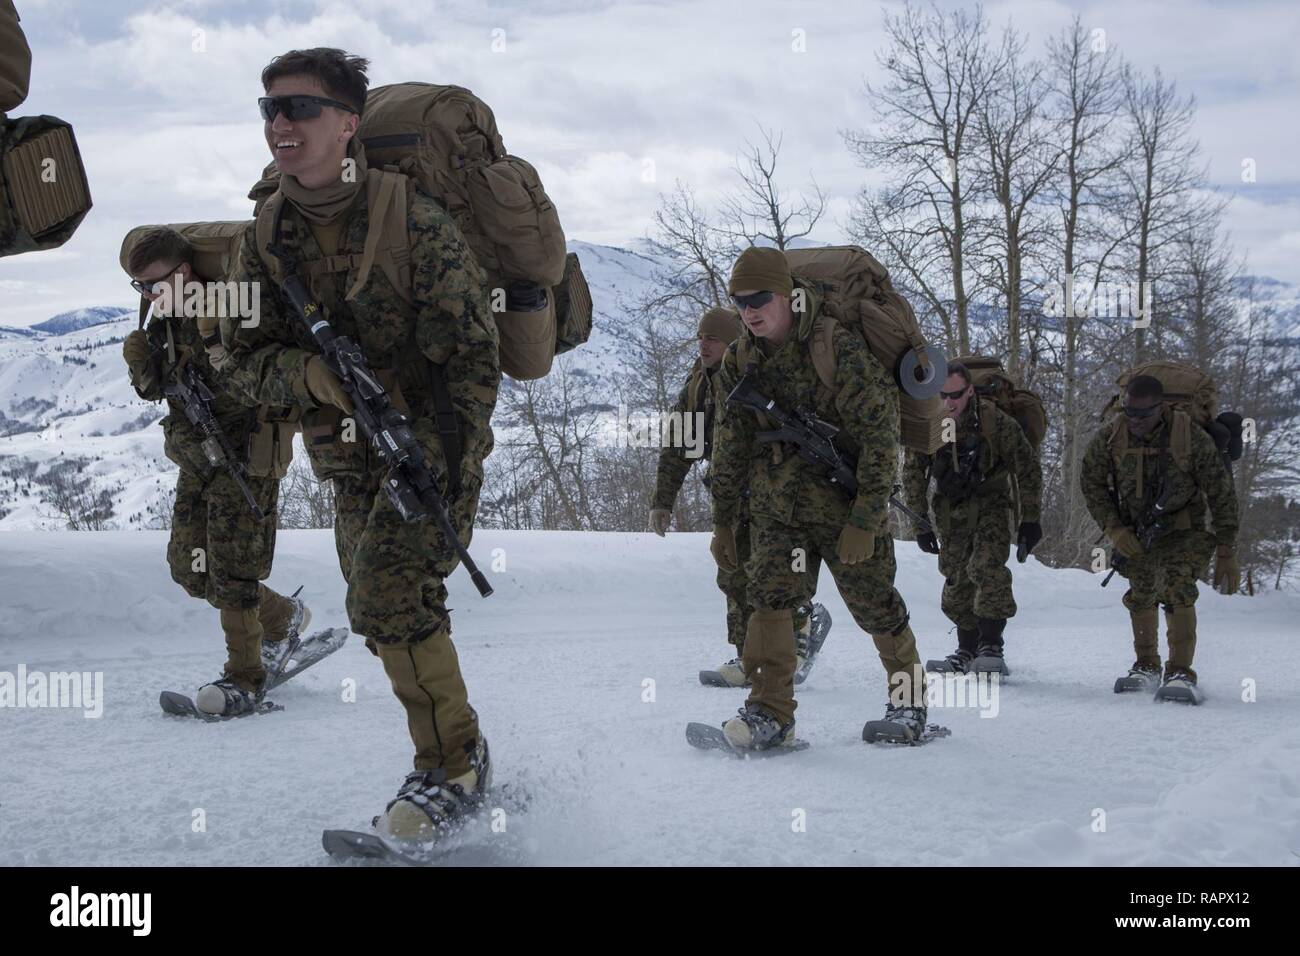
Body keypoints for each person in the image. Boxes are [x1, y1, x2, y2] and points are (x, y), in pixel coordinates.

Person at [222, 48, 500, 841]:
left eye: (301, 108)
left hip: (431, 451)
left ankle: (454, 768)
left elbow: (473, 355)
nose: (281, 123)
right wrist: (313, 377)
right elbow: (237, 360)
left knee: (387, 594)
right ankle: (458, 757)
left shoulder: (412, 220)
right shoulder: (264, 237)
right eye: (270, 109)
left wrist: (448, 462)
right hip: (345, 462)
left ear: (348, 123)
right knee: (385, 613)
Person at [709, 246, 928, 749]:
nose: (749, 310)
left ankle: (909, 703)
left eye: (760, 298)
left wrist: (867, 518)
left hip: (845, 504)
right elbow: (730, 444)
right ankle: (770, 712)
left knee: (877, 607)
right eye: (739, 301)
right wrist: (724, 521)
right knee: (769, 600)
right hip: (776, 508)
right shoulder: (742, 357)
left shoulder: (836, 347)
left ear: (786, 294)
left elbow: (881, 434)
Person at [649, 306, 827, 688]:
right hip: (732, 493)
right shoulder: (698, 384)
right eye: (699, 337)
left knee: (776, 570)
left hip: (777, 491)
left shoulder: (757, 374)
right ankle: (747, 652)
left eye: (711, 337)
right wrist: (663, 500)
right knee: (733, 572)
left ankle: (797, 636)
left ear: (732, 341)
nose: (703, 344)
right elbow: (678, 445)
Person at [1080, 374, 1239, 695]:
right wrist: (1115, 529)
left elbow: (1221, 493)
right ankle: (1146, 665)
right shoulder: (1112, 436)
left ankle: (1181, 672)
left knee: (1177, 585)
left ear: (1160, 408)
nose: (1135, 422)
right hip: (1136, 529)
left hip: (1184, 529)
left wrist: (1226, 549)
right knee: (1142, 589)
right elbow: (1091, 483)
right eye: (1130, 414)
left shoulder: (1188, 436)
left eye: (1143, 415)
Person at [902, 362, 1042, 672]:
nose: (948, 403)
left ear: (969, 392)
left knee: (986, 567)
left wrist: (1031, 519)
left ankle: (991, 646)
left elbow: (1027, 468)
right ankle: (966, 649)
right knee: (956, 575)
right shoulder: (931, 422)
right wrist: (920, 523)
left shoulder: (996, 422)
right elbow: (914, 472)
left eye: (955, 395)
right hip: (949, 511)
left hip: (990, 504)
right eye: (942, 395)